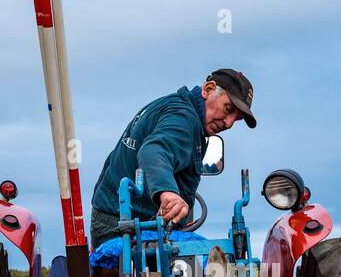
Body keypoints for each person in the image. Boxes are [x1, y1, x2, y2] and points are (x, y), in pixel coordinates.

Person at [89, 69, 256, 251]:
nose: (229, 123)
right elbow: (153, 150)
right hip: (124, 227)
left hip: (111, 219)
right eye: (228, 109)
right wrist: (168, 193)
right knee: (203, 257)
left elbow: (116, 158)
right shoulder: (184, 120)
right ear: (208, 89)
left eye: (236, 119)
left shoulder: (171, 105)